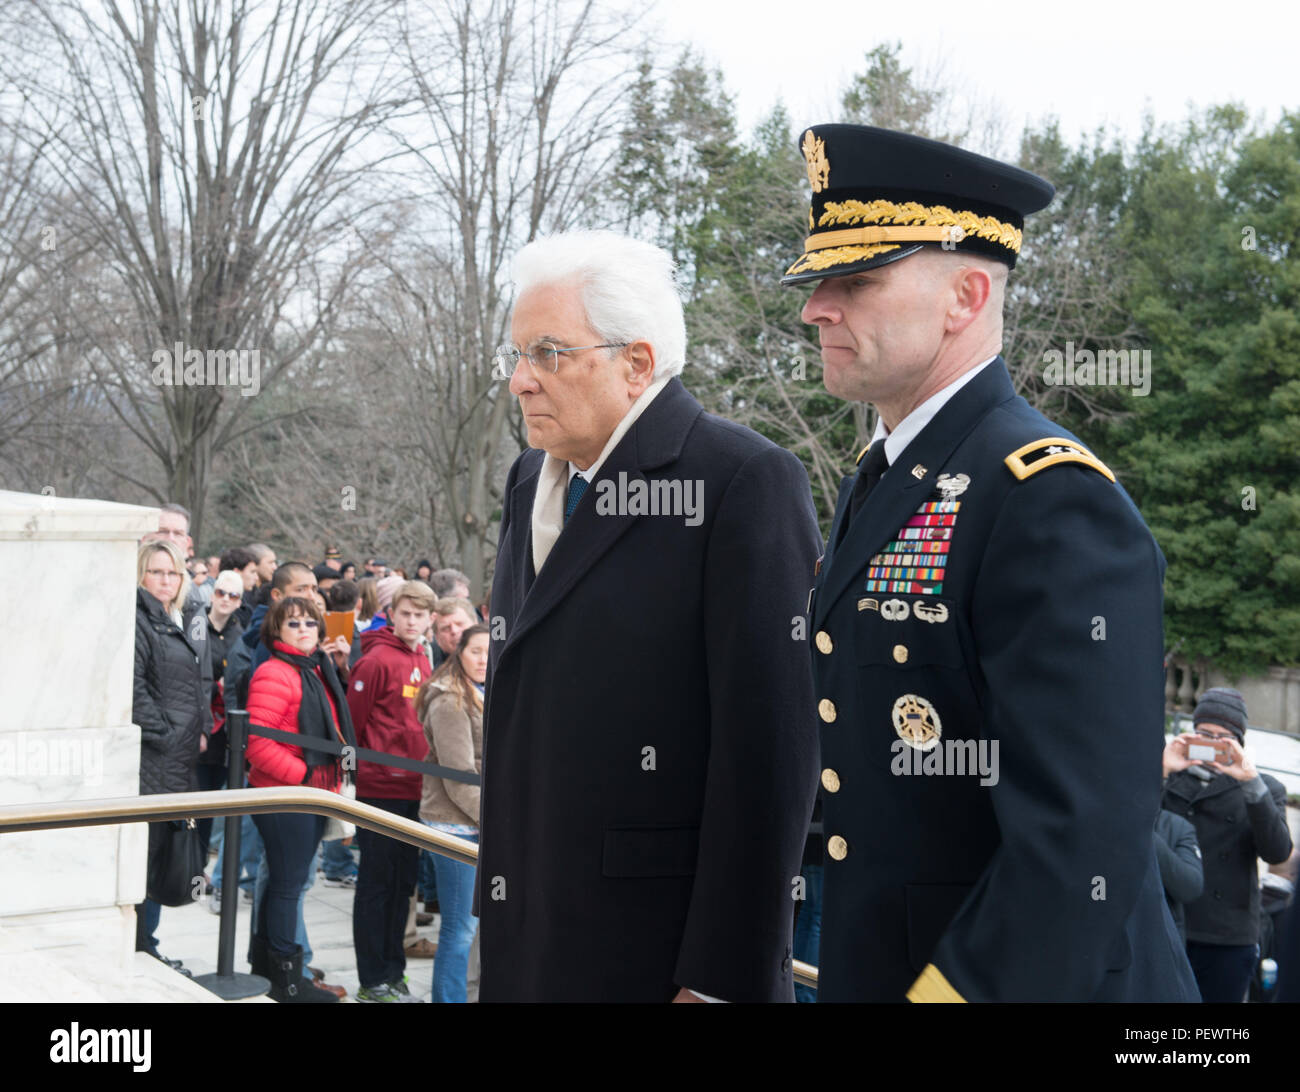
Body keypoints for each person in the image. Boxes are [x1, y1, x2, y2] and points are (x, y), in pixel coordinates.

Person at [790, 123, 1199, 1002]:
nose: (816, 307)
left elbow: (1080, 836)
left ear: (966, 295)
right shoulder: (888, 477)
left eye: (856, 280)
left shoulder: (1046, 494)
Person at [480, 229, 820, 1002]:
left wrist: (720, 980)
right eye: (515, 355)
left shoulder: (742, 480)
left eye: (547, 353)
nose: (519, 381)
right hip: (528, 941)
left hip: (656, 959)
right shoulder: (531, 476)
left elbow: (771, 756)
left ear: (635, 363)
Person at [244, 595, 355, 1003]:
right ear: (276, 631)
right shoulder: (276, 672)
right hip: (285, 797)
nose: (304, 630)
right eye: (294, 624)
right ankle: (288, 983)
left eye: (310, 623)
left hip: (307, 795)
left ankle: (270, 969)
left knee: (282, 885)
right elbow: (257, 744)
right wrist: (307, 777)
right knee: (288, 888)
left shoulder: (314, 668)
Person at [1161, 687, 1293, 1001]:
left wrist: (1250, 784)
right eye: (1204, 734)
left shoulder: (1264, 788)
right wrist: (1161, 772)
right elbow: (1135, 830)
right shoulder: (1170, 779)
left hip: (1228, 935)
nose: (1211, 746)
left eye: (1223, 739)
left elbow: (1277, 852)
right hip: (1169, 924)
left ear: (1239, 742)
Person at [347, 580, 438, 1003]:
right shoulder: (376, 659)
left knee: (402, 886)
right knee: (376, 885)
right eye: (405, 613)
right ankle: (372, 979)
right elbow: (353, 727)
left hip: (415, 790)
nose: (412, 621)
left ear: (429, 619)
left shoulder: (423, 655)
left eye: (420, 615)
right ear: (392, 614)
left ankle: (393, 972)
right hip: (379, 790)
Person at [132, 539, 212, 971]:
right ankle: (140, 947)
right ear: (141, 574)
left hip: (177, 761)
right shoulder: (140, 619)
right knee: (148, 857)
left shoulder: (170, 618)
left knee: (162, 854)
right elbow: (134, 686)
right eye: (157, 572)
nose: (165, 580)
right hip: (155, 761)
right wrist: (166, 734)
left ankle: (147, 944)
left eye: (173, 573)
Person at [416, 624, 489, 1002]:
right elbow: (459, 777)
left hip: (480, 822)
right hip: (455, 824)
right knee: (460, 927)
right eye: (476, 651)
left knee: (479, 928)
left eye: (489, 651)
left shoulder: (485, 692)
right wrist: (495, 823)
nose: (483, 659)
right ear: (459, 652)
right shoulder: (450, 700)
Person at [197, 569, 245, 860]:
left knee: (222, 806)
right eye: (220, 592)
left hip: (228, 729)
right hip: (201, 726)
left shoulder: (240, 634)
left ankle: (211, 875)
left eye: (233, 595)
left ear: (240, 601)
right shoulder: (195, 624)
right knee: (200, 806)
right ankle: (194, 872)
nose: (225, 599)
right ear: (212, 594)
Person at [1153, 809, 1203, 944]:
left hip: (1159, 940)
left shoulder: (1176, 826)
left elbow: (1191, 887)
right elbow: (1098, 885)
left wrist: (1145, 831)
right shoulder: (1099, 819)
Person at [431, 597, 477, 670]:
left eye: (460, 624)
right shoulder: (431, 671)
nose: (454, 631)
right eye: (446, 628)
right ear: (437, 637)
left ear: (475, 623)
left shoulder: (496, 661)